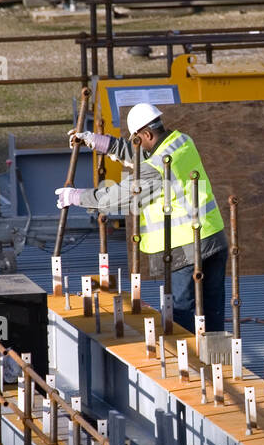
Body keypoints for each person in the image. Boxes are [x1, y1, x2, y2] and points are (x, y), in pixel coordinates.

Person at [56, 102, 228, 333]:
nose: (136, 144)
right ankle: (218, 359)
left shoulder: (155, 168)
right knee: (212, 306)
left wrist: (77, 197)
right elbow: (140, 153)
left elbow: (117, 197)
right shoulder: (181, 141)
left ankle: (193, 361)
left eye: (137, 138)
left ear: (146, 134)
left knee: (183, 312)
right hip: (213, 237)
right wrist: (96, 141)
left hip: (185, 247)